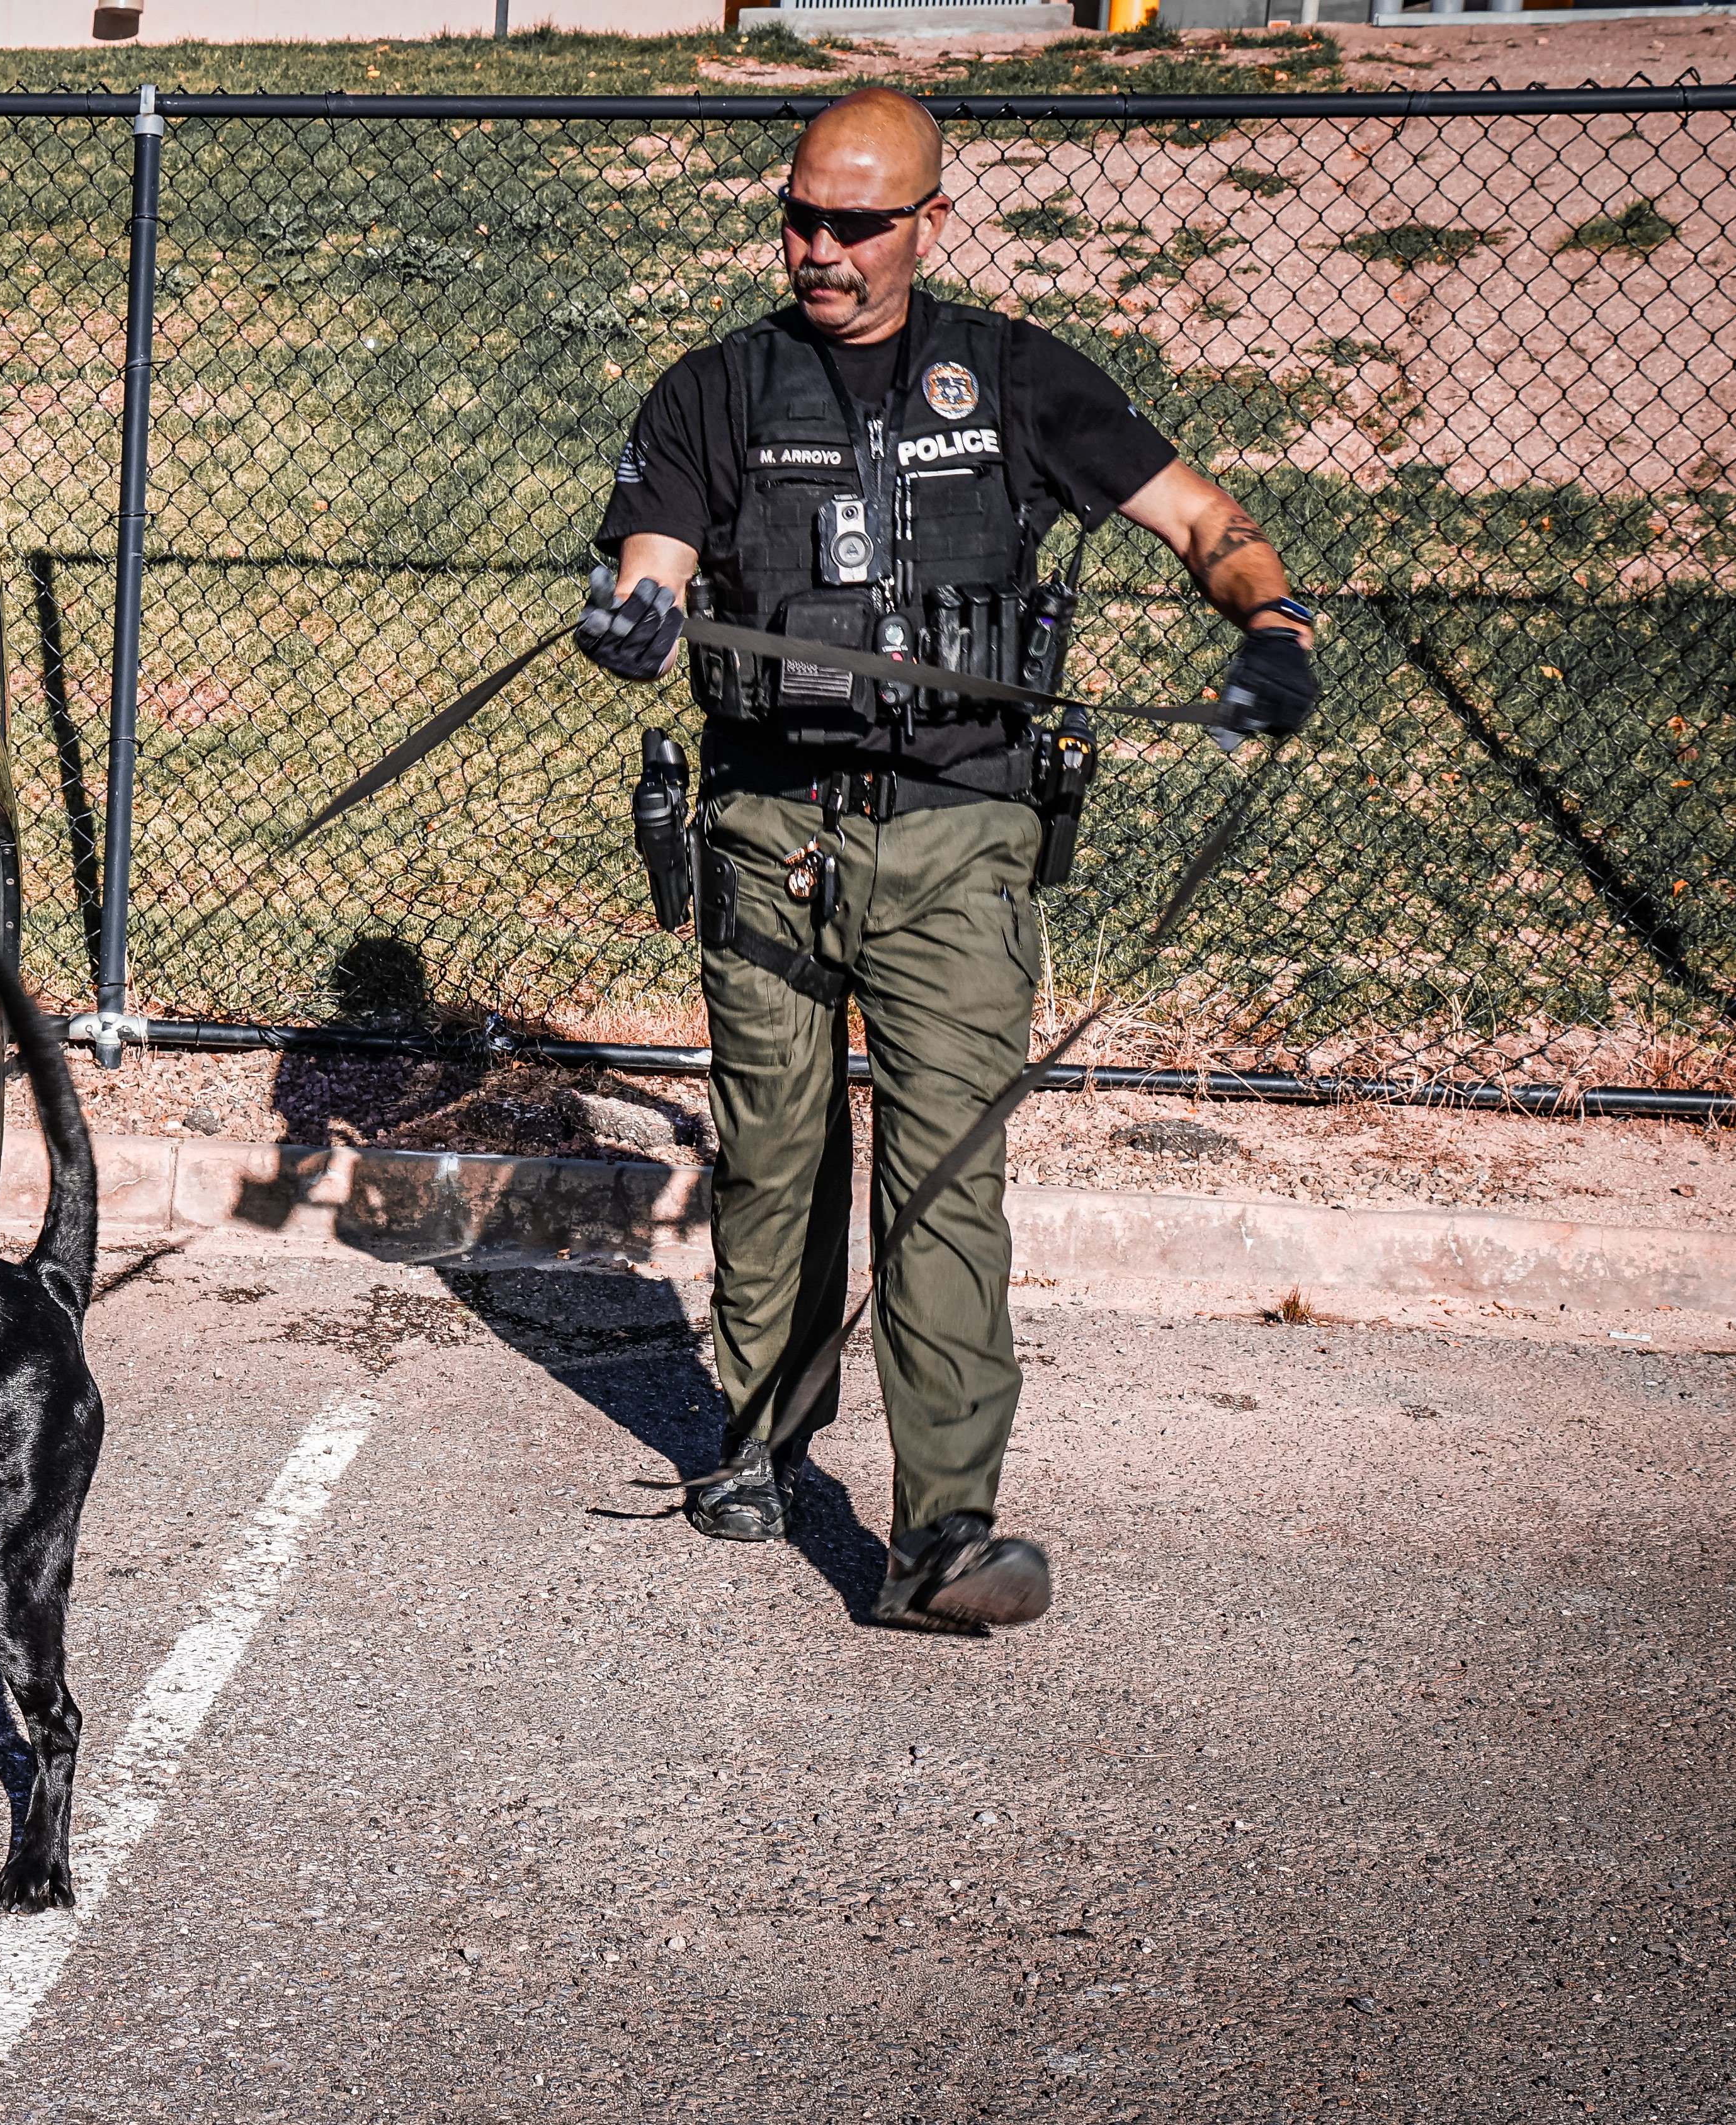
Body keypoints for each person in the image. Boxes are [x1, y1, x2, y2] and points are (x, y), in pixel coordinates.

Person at [574, 87, 1316, 1633]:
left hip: (963, 835)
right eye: (800, 216)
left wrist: (1273, 621)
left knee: (946, 1180)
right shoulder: (716, 389)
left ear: (929, 222)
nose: (821, 248)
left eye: (857, 222)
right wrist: (641, 613)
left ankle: (941, 1535)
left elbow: (1202, 519)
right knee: (777, 1155)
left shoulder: (1023, 379)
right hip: (771, 828)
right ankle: (761, 1436)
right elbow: (653, 559)